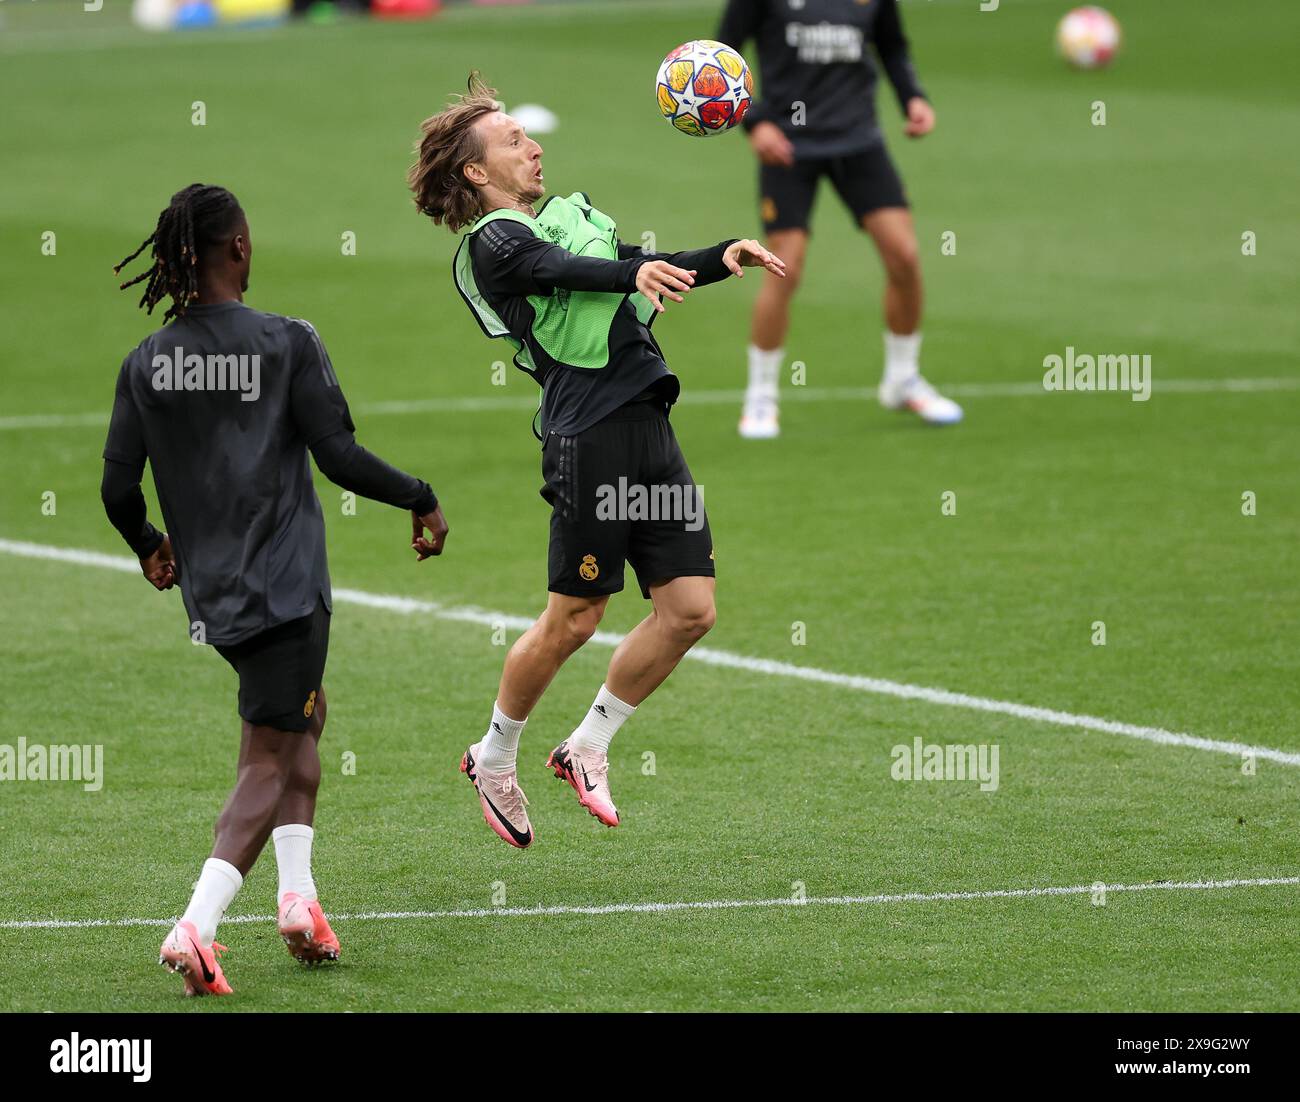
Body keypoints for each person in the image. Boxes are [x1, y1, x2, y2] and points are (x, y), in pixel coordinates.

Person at [407, 76, 783, 847]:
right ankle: (495, 757)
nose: (534, 145)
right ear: (476, 174)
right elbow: (559, 271)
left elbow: (637, 262)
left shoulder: (564, 221)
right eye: (513, 140)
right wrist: (625, 273)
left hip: (648, 425)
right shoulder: (494, 244)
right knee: (575, 618)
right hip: (589, 437)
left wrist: (719, 256)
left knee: (690, 610)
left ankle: (587, 744)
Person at [102, 183, 449, 996]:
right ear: (239, 250)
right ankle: (197, 924)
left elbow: (119, 490)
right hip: (287, 589)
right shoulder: (287, 341)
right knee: (270, 750)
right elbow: (337, 456)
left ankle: (298, 901)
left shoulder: (145, 363)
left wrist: (150, 545)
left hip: (215, 600)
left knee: (304, 715)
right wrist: (419, 494)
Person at [719, 0, 963, 437]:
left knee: (904, 256)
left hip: (859, 140)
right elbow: (721, 55)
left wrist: (913, 98)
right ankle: (760, 398)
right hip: (787, 145)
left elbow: (892, 46)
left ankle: (902, 379)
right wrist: (754, 123)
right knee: (783, 269)